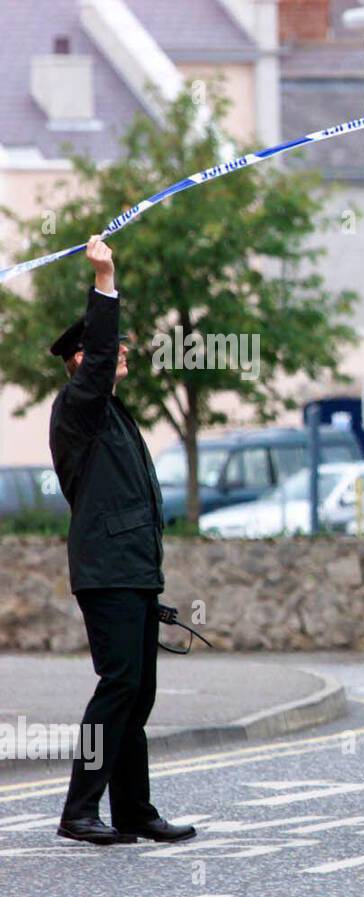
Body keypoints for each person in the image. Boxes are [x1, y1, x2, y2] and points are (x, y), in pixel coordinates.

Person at [48, 235, 196, 845]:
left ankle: (135, 810)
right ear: (82, 361)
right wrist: (105, 280)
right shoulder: (77, 409)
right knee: (118, 687)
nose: (120, 353)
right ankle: (78, 811)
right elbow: (103, 353)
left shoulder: (112, 414)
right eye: (107, 351)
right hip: (106, 573)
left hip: (132, 571)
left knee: (138, 694)